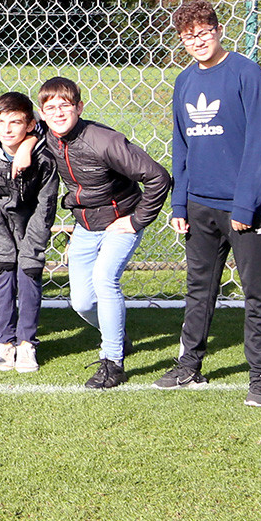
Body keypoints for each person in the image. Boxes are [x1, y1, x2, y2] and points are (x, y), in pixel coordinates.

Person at [160, 0, 261, 407]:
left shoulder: (246, 73)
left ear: (218, 30)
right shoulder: (184, 82)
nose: (197, 41)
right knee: (199, 289)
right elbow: (182, 146)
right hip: (199, 206)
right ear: (182, 40)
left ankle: (260, 378)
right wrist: (180, 205)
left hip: (246, 208)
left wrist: (246, 206)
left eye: (203, 32)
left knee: (256, 293)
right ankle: (189, 364)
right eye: (189, 36)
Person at [36, 76, 171, 390]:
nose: (58, 113)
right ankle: (117, 335)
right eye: (50, 107)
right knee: (81, 302)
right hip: (85, 226)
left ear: (79, 107)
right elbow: (6, 115)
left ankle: (113, 362)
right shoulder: (46, 135)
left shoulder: (104, 140)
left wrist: (137, 221)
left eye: (65, 106)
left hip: (120, 222)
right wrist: (28, 148)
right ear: (42, 113)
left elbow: (158, 177)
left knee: (104, 279)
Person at [0, 92, 59, 373]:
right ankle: (4, 344)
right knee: (5, 271)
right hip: (1, 228)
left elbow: (46, 205)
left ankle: (26, 344)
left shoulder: (45, 159)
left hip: (32, 223)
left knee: (29, 270)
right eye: (1, 121)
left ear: (30, 125)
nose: (7, 129)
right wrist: (2, 242)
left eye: (16, 122)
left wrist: (32, 243)